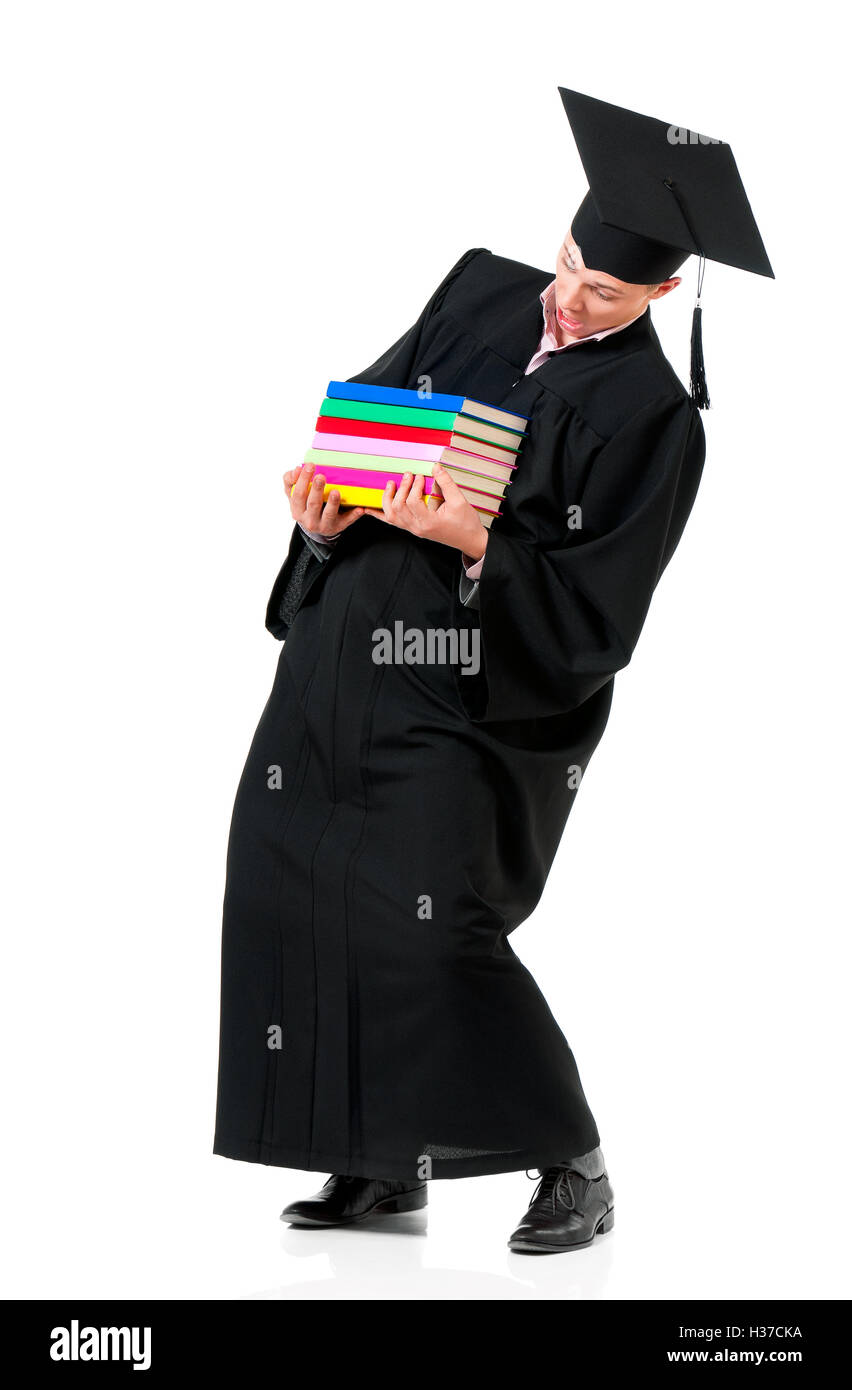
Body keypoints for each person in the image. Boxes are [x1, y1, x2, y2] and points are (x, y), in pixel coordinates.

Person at [213, 88, 772, 1253]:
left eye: (605, 290)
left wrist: (470, 538)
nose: (568, 296)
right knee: (294, 884)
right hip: (340, 655)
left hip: (470, 691)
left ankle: (574, 1161)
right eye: (568, 264)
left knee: (432, 924)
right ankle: (376, 1163)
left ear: (663, 293)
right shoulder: (477, 285)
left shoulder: (656, 418)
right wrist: (320, 521)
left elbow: (597, 612)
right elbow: (358, 429)